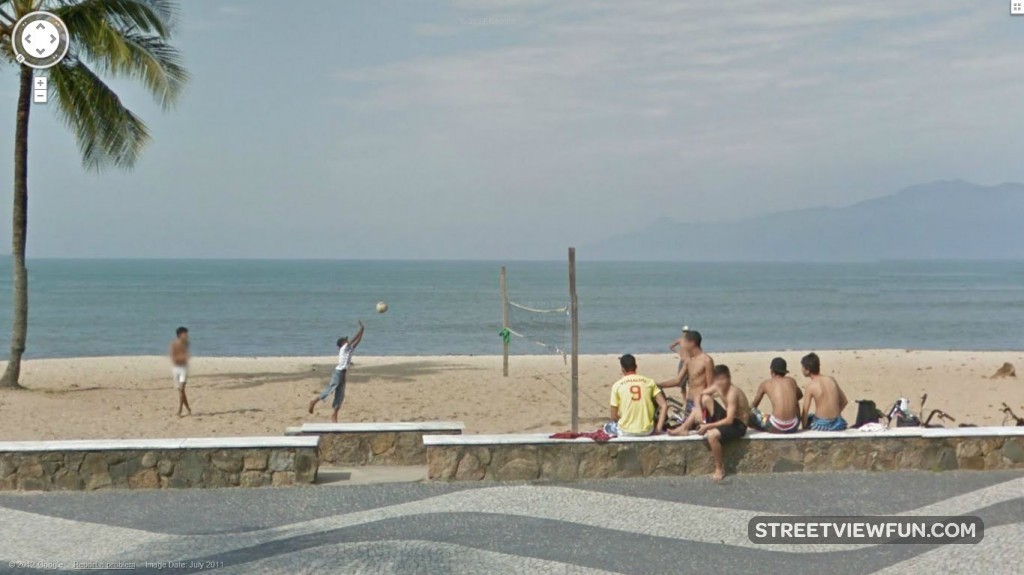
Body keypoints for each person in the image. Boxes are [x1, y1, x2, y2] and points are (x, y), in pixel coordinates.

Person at [671, 364, 749, 481]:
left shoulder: (732, 393)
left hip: (738, 424)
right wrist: (697, 408)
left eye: (723, 379)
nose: (721, 383)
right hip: (728, 418)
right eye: (718, 380)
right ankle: (684, 428)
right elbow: (700, 394)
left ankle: (719, 468)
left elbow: (729, 420)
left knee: (712, 435)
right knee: (705, 399)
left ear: (729, 378)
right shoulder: (718, 387)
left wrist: (708, 426)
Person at [309, 321, 365, 422]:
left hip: (343, 373)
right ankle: (314, 401)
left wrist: (363, 331)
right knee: (330, 389)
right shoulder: (343, 348)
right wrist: (360, 329)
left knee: (340, 395)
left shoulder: (349, 350)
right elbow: (353, 339)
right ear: (342, 343)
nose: (347, 341)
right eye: (345, 340)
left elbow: (357, 341)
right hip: (338, 372)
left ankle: (334, 415)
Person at [605, 354, 667, 437]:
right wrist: (658, 428)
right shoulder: (649, 382)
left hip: (625, 431)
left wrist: (625, 421)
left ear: (622, 369)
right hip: (647, 430)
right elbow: (664, 405)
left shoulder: (617, 385)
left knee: (607, 427)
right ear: (636, 366)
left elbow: (613, 416)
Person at [658, 330, 712, 420]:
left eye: (685, 342)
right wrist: (658, 384)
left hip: (700, 403)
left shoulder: (707, 361)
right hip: (689, 402)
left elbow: (710, 387)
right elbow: (677, 380)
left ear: (692, 343)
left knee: (697, 430)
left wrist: (701, 406)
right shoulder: (688, 360)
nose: (682, 345)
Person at [750, 357, 803, 433]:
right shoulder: (792, 381)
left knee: (750, 412)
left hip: (776, 427)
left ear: (772, 371)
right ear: (785, 372)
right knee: (796, 402)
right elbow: (800, 396)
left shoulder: (766, 383)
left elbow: (754, 406)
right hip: (793, 426)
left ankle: (759, 429)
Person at [799, 352, 849, 431]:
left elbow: (805, 411)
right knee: (812, 416)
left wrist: (804, 428)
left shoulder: (811, 386)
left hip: (821, 425)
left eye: (802, 367)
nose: (801, 369)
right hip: (838, 423)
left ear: (807, 370)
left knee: (809, 417)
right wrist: (833, 414)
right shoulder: (831, 379)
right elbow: (844, 401)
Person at [169, 326, 191, 417]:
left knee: (182, 389)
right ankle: (188, 408)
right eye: (184, 333)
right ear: (180, 334)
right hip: (176, 369)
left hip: (184, 368)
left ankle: (180, 410)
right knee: (181, 391)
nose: (186, 335)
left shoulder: (186, 343)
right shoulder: (173, 344)